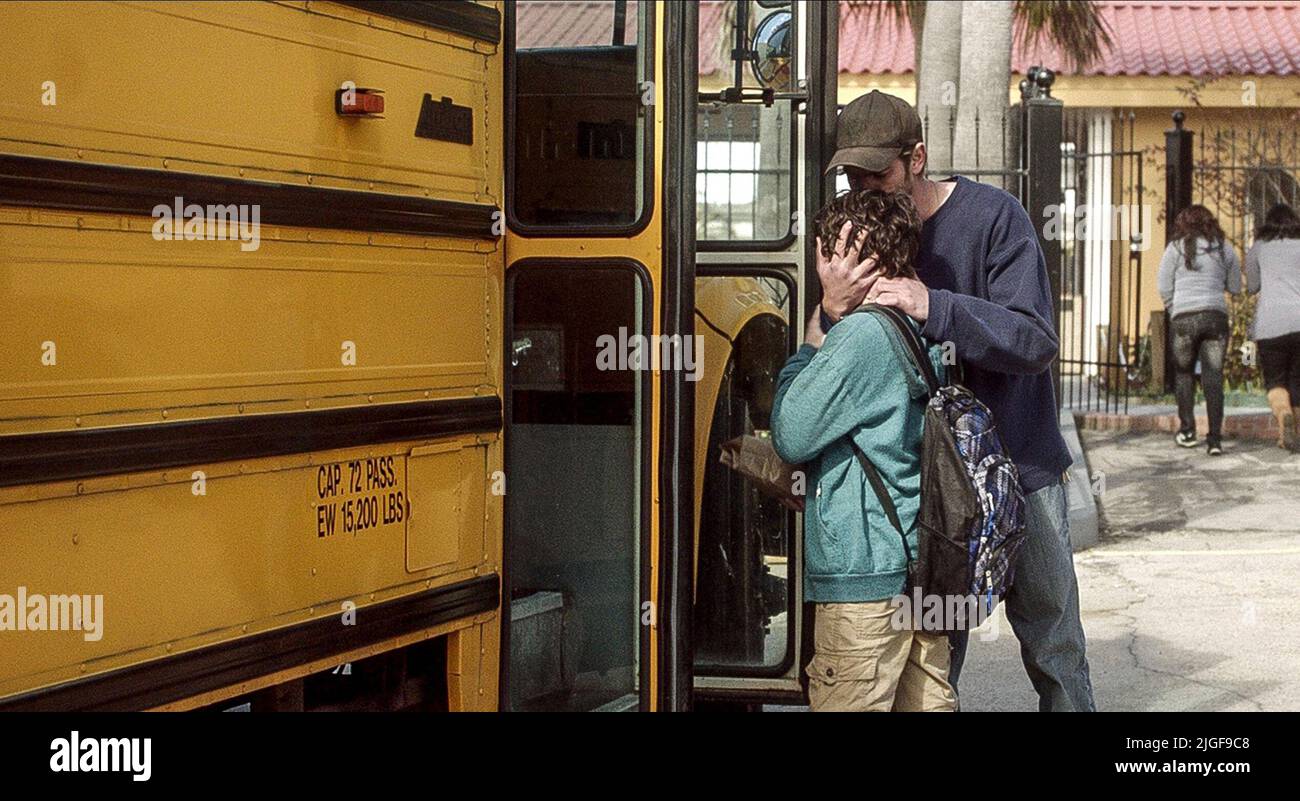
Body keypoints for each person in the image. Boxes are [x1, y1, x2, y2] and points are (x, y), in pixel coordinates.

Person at [815, 90, 1095, 712]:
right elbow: (845, 362)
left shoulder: (994, 217)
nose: (866, 190)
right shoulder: (861, 233)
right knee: (937, 660)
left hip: (1019, 466)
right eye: (853, 177)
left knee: (1053, 642)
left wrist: (932, 305)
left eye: (878, 174)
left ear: (916, 158)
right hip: (930, 485)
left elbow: (1035, 339)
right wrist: (831, 309)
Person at [772, 189, 955, 712]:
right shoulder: (914, 324)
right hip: (915, 579)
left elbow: (790, 430)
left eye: (824, 249)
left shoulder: (861, 337)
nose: (819, 261)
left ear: (846, 253)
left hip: (866, 589)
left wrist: (817, 333)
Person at [1157, 205, 1241, 456]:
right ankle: (1215, 440)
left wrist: (1175, 308)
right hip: (1215, 317)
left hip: (1184, 318)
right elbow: (1236, 287)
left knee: (1183, 374)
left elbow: (1163, 284)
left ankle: (1187, 431)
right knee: (1213, 378)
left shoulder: (1176, 248)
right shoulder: (1223, 247)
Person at [1246, 203, 1300, 452]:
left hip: (1271, 325)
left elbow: (1253, 285)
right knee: (1297, 382)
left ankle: (1283, 419)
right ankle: (1292, 434)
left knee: (1276, 382)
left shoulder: (1259, 247)